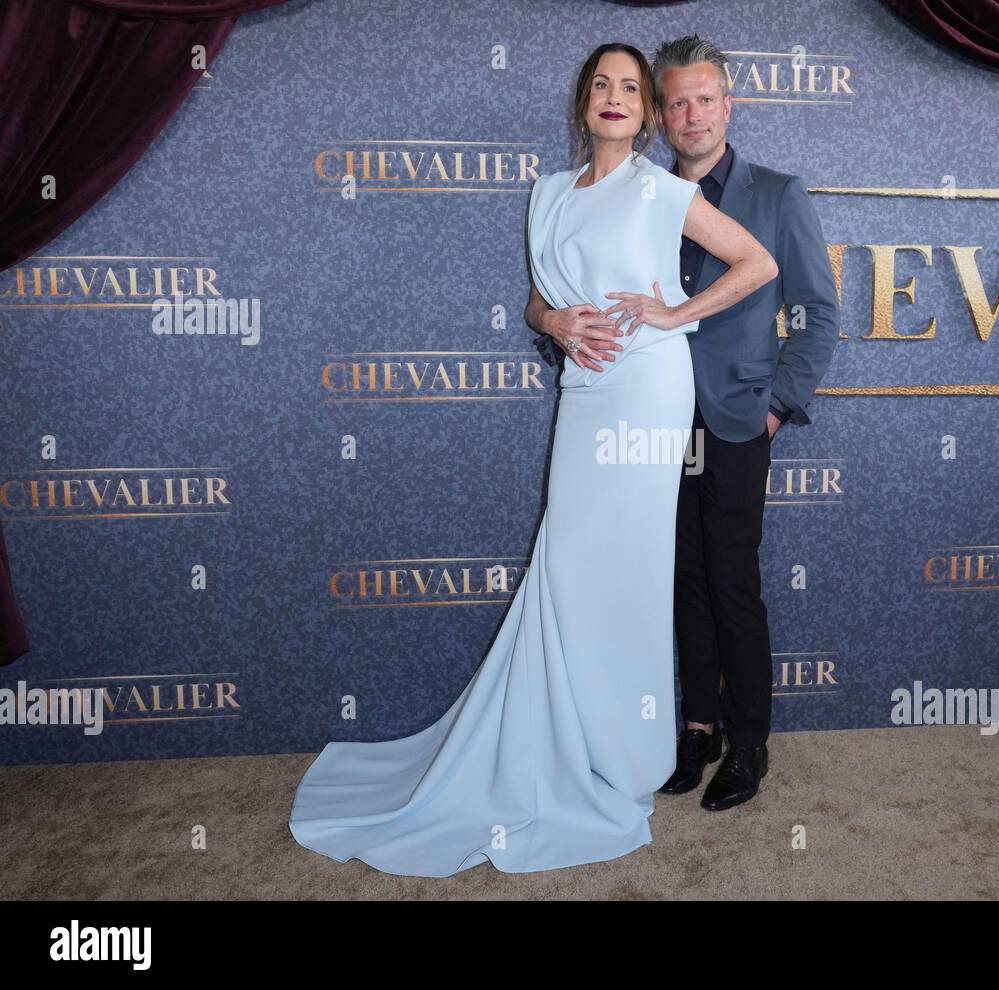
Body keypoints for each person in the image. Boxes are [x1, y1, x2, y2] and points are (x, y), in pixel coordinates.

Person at [288, 42, 776, 877]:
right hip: (585, 397)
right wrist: (550, 325)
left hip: (648, 395)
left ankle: (623, 753)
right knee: (566, 566)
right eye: (603, 86)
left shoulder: (664, 189)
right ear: (582, 105)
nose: (616, 98)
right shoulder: (547, 193)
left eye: (631, 88)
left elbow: (757, 263)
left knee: (626, 572)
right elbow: (539, 297)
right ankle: (568, 737)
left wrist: (673, 315)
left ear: (648, 113)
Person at [532, 35, 841, 812]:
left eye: (706, 99)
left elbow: (819, 312)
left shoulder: (777, 192)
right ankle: (696, 730)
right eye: (677, 102)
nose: (692, 114)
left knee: (732, 582)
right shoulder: (640, 190)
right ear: (661, 117)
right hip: (647, 417)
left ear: (728, 106)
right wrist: (561, 322)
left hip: (735, 420)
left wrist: (777, 405)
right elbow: (576, 296)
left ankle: (750, 745)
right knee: (679, 581)